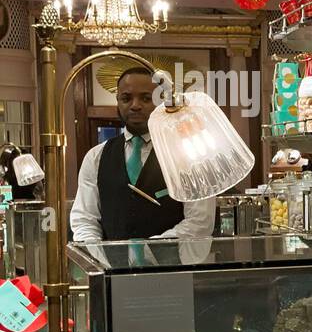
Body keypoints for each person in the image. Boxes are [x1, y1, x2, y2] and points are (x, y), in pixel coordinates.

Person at [70, 67, 216, 242]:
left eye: (146, 98)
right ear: (117, 101)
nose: (135, 105)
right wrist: (98, 255)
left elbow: (200, 222)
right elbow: (85, 219)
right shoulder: (96, 157)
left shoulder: (187, 153)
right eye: (126, 98)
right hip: (111, 266)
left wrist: (153, 251)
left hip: (172, 266)